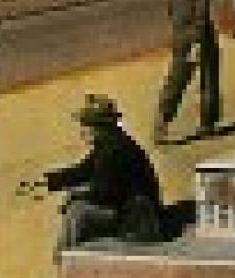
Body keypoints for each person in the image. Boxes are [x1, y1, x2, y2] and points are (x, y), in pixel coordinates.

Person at [30, 94, 163, 266]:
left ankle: (66, 269)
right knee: (76, 208)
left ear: (100, 127)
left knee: (78, 214)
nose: (81, 131)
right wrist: (48, 181)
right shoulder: (110, 143)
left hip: (137, 220)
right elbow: (83, 170)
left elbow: (106, 193)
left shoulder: (115, 150)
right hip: (127, 209)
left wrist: (75, 195)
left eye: (86, 125)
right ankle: (66, 265)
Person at [154, 0, 221, 144]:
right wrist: (198, 41)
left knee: (176, 78)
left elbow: (171, 5)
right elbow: (201, 14)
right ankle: (207, 123)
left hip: (179, 32)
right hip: (199, 35)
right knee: (209, 77)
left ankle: (162, 122)